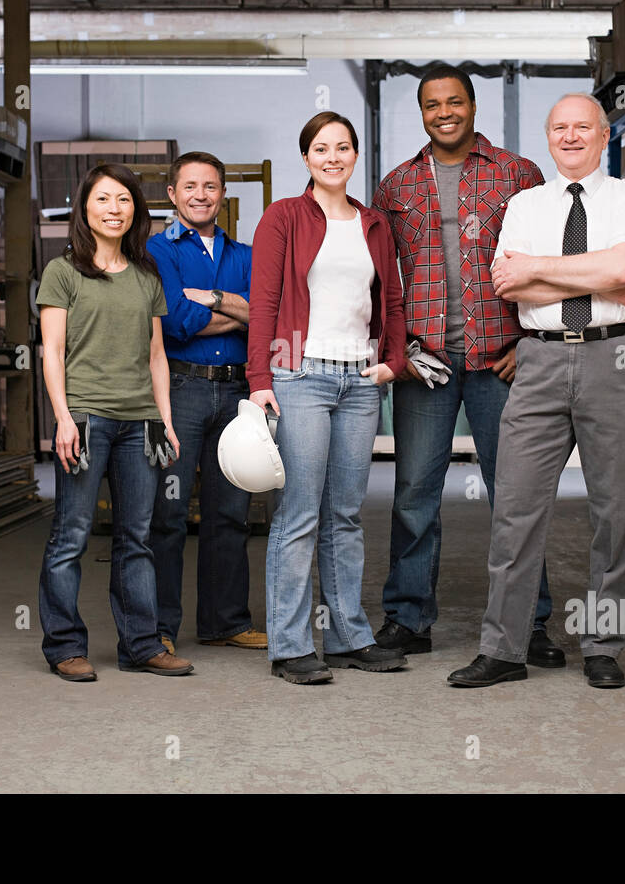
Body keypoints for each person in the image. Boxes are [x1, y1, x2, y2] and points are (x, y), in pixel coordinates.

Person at [448, 92, 625, 689]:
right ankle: (504, 648)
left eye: (582, 127)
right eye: (559, 127)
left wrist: (545, 268)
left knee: (615, 511)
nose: (570, 136)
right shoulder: (523, 204)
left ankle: (603, 647)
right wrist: (589, 271)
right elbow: (507, 285)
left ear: (603, 133)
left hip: (615, 356)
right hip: (536, 363)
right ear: (549, 136)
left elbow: (622, 275)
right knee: (514, 508)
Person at [373, 63, 563, 667]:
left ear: (473, 106)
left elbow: (551, 264)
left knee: (516, 495)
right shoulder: (397, 185)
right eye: (432, 105)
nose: (444, 113)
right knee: (413, 495)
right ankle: (408, 619)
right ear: (422, 112)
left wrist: (530, 344)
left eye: (454, 102)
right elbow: (382, 280)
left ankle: (526, 623)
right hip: (425, 364)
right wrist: (396, 350)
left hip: (500, 362)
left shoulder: (518, 174)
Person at [248, 111, 409, 684]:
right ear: (306, 157)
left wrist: (394, 360)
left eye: (343, 147)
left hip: (360, 381)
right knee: (298, 513)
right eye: (321, 148)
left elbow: (390, 298)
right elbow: (264, 301)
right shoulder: (283, 217)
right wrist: (260, 378)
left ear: (355, 155)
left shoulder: (374, 223)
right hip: (300, 375)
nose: (333, 156)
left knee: (345, 514)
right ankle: (291, 647)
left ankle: (347, 636)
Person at [36, 163, 193, 681]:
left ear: (136, 210)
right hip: (84, 419)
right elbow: (52, 352)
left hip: (139, 424)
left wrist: (166, 421)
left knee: (137, 537)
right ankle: (65, 648)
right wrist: (62, 419)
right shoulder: (63, 272)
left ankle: (142, 645)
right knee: (72, 535)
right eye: (103, 199)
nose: (114, 209)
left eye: (124, 200)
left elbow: (156, 358)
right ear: (85, 208)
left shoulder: (147, 276)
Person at [146, 152, 267, 654]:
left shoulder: (246, 254)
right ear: (173, 194)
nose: (201, 195)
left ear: (223, 195)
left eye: (211, 186)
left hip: (237, 393)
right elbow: (174, 321)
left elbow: (268, 314)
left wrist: (212, 299)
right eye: (190, 186)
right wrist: (240, 309)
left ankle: (226, 621)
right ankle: (159, 629)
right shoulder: (158, 250)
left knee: (230, 512)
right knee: (169, 512)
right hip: (183, 390)